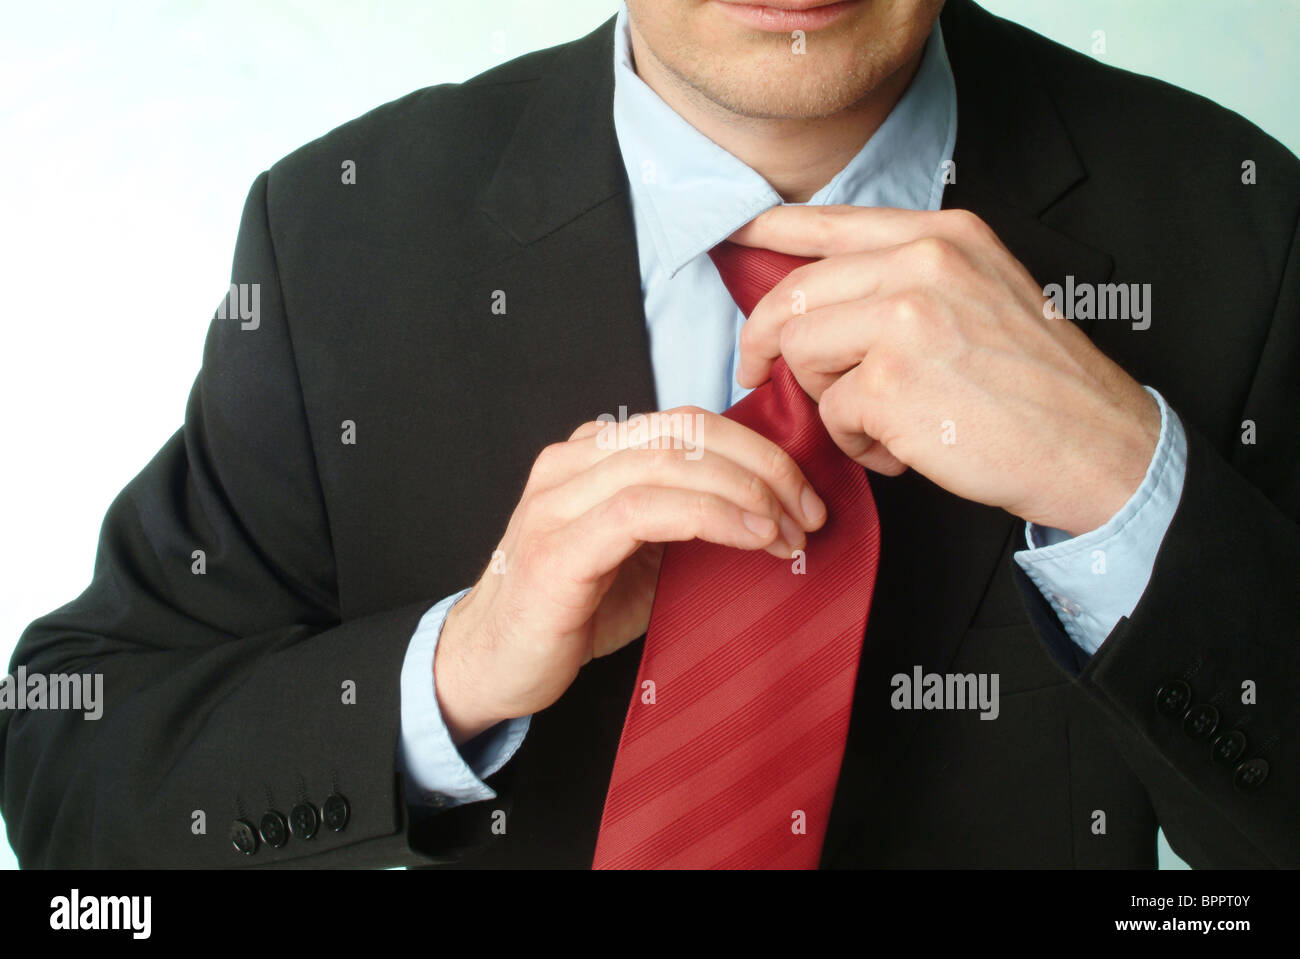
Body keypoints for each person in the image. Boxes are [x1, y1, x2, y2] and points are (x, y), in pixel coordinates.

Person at [2, 0, 1296, 868]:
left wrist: (1128, 492)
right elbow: (69, 769)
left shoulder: (1243, 227)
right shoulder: (335, 241)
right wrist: (446, 676)